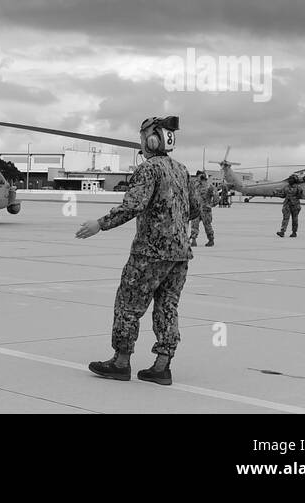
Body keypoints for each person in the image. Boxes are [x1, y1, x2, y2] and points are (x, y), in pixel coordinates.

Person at [76, 116, 199, 386]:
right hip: (180, 255)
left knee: (128, 306)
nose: (142, 143)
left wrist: (100, 224)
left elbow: (133, 206)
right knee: (167, 307)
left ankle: (121, 361)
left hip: (150, 253)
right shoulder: (182, 169)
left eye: (143, 138)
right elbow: (196, 209)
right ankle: (162, 366)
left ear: (152, 140)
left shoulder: (149, 169)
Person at [190, 171, 217, 247]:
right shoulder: (196, 185)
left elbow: (216, 198)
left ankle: (209, 240)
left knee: (204, 225)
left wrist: (211, 205)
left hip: (202, 209)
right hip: (200, 209)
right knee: (197, 225)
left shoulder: (207, 186)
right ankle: (195, 240)